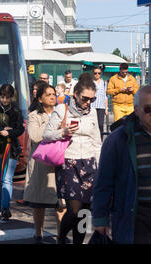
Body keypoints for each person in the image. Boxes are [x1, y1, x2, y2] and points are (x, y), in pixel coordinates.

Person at [93, 85, 151, 244]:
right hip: (135, 215)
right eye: (147, 108)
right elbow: (104, 181)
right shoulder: (119, 140)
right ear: (136, 110)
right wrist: (100, 218)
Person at [43, 73, 102, 244]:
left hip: (90, 163)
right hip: (69, 162)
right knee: (74, 209)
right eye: (85, 98)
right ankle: (62, 236)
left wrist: (100, 167)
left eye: (92, 99)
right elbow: (46, 135)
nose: (88, 102)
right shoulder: (62, 109)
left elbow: (97, 142)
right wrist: (63, 132)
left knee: (85, 211)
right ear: (75, 93)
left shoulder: (92, 113)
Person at [23, 83, 66, 244]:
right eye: (48, 94)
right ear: (40, 99)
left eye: (54, 93)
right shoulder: (34, 115)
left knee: (61, 203)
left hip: (60, 161)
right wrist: (55, 128)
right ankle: (38, 233)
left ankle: (61, 235)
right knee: (38, 203)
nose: (52, 97)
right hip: (41, 165)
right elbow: (34, 135)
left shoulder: (62, 112)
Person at [0, 84, 25, 220]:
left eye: (7, 97)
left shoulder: (16, 110)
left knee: (7, 179)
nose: (5, 100)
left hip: (10, 148)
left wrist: (9, 132)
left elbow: (20, 129)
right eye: (2, 97)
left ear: (11, 97)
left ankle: (5, 208)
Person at [91, 67, 108, 138]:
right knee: (93, 125)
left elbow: (105, 96)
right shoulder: (91, 82)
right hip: (92, 106)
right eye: (95, 73)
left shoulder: (104, 82)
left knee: (101, 125)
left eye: (99, 73)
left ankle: (100, 140)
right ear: (93, 74)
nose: (97, 74)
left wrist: (106, 108)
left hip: (101, 106)